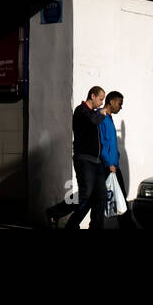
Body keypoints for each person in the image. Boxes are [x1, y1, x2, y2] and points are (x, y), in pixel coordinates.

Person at [58, 86, 109, 229]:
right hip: (84, 159)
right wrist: (103, 113)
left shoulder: (93, 113)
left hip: (97, 162)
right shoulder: (81, 111)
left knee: (101, 196)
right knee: (85, 195)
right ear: (92, 96)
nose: (101, 103)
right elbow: (93, 121)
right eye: (100, 99)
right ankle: (58, 213)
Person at [99, 91, 124, 228]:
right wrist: (109, 163)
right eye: (120, 103)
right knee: (90, 199)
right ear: (112, 102)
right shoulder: (102, 118)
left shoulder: (109, 118)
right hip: (108, 166)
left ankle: (56, 212)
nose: (121, 107)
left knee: (92, 199)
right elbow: (102, 143)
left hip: (113, 165)